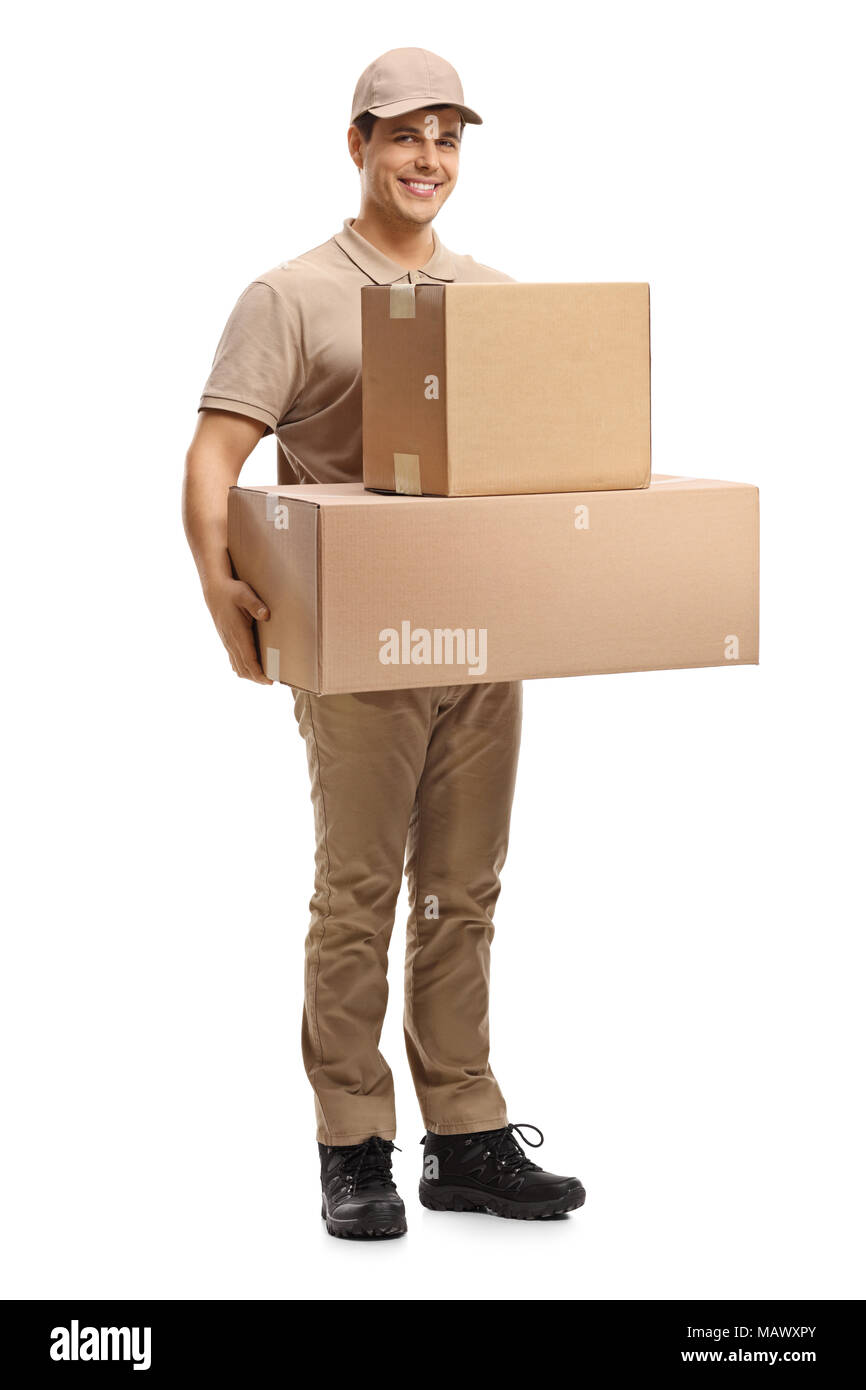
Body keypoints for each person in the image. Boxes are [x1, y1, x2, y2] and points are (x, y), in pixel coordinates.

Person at [183, 46, 585, 1239]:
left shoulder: (496, 297)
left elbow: (539, 469)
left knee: (464, 893)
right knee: (359, 892)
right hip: (359, 645)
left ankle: (463, 1133)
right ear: (355, 143)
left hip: (481, 637)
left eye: (449, 136)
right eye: (404, 133)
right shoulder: (292, 295)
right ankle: (351, 1144)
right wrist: (224, 593)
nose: (428, 159)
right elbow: (214, 461)